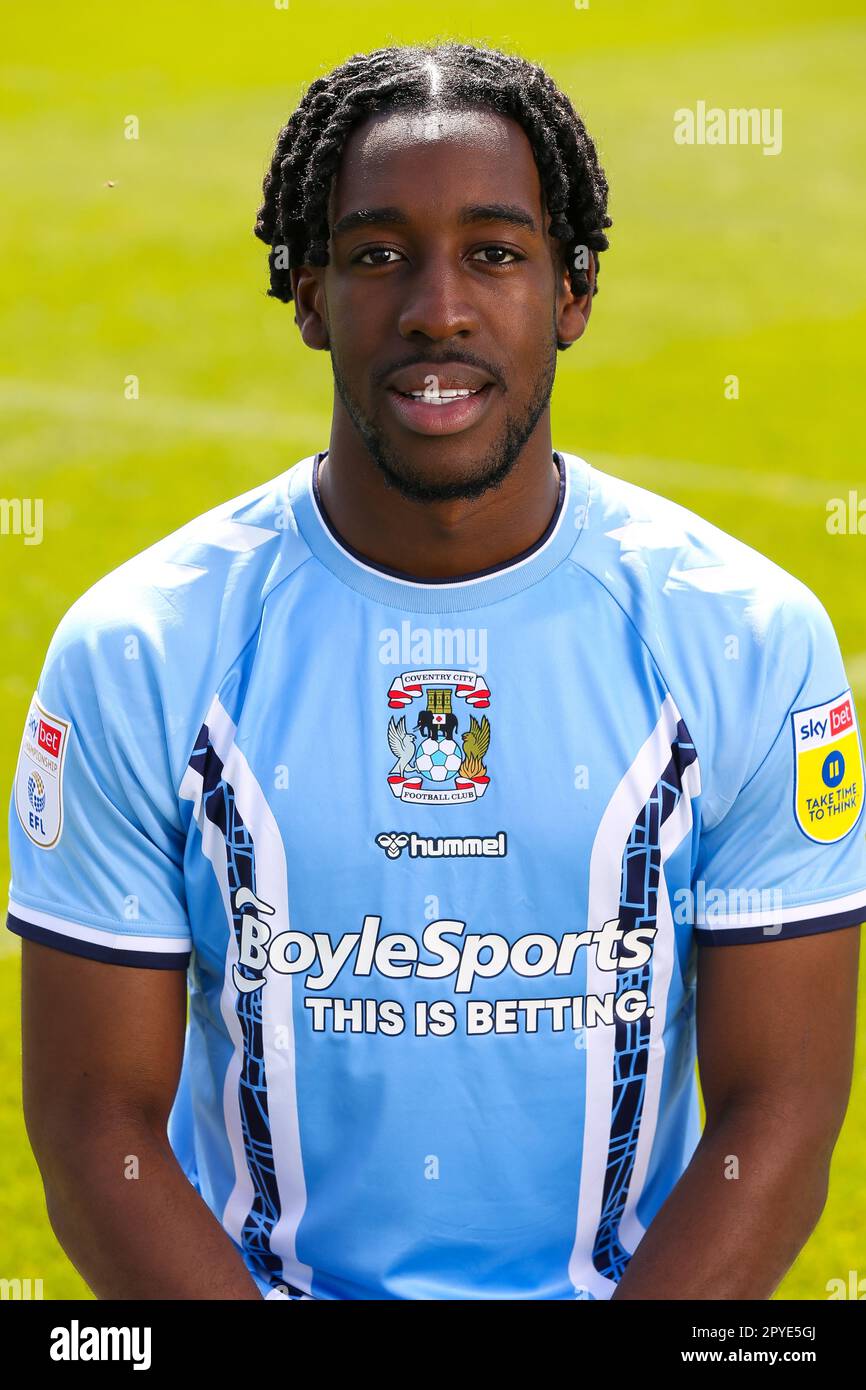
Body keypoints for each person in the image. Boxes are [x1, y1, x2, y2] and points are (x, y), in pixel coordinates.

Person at [8, 41, 865, 1302]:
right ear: (305, 294)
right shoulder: (136, 650)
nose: (438, 308)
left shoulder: (745, 638)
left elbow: (776, 1112)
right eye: (374, 255)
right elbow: (98, 1131)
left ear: (571, 292)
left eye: (496, 252)